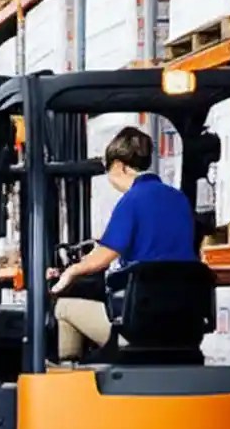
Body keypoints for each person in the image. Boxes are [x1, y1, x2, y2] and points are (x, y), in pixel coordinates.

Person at [50, 126, 198, 356]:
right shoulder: (179, 199)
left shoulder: (132, 200)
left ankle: (69, 375)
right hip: (181, 321)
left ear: (119, 166)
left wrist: (70, 272)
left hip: (141, 323)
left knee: (63, 308)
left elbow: (104, 254)